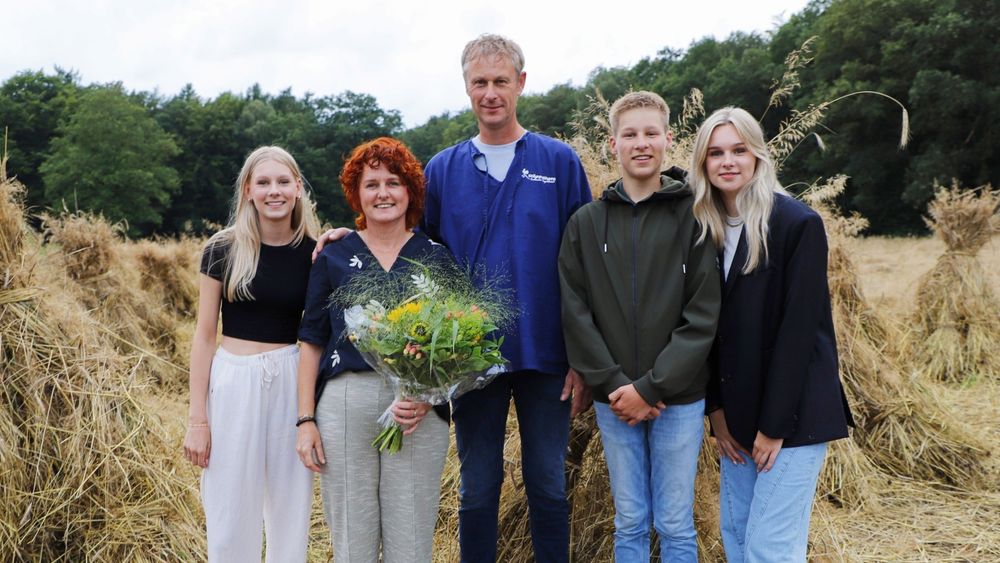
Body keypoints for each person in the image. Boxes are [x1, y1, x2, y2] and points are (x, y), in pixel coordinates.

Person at [421, 33, 593, 563]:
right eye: (480, 82)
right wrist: (341, 236)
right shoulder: (442, 170)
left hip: (548, 355)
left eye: (501, 81)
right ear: (466, 88)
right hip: (471, 357)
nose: (490, 92)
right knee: (477, 488)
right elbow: (418, 256)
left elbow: (585, 263)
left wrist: (582, 358)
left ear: (521, 83)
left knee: (546, 485)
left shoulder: (558, 162)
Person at [558, 91, 721, 562]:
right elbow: (575, 310)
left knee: (674, 523)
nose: (641, 143)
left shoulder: (695, 216)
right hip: (615, 399)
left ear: (669, 139)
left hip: (679, 397)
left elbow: (703, 314)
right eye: (630, 134)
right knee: (629, 520)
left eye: (651, 133)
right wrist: (614, 385)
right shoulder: (586, 223)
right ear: (613, 144)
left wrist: (652, 387)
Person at [690, 107, 855, 563]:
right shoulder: (703, 230)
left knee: (771, 548)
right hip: (735, 417)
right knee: (739, 539)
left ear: (758, 156)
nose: (728, 161)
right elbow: (704, 331)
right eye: (716, 152)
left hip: (793, 416)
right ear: (702, 163)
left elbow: (798, 333)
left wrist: (772, 427)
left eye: (739, 150)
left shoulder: (795, 224)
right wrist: (716, 413)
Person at [295, 137, 451, 563]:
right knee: (352, 541)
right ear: (357, 194)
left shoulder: (436, 258)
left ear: (410, 191)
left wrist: (427, 396)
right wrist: (305, 419)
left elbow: (456, 345)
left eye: (394, 182)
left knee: (412, 540)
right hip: (347, 404)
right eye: (372, 184)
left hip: (417, 411)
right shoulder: (334, 255)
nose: (383, 192)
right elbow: (311, 339)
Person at [182, 146, 320, 563]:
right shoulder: (223, 249)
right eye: (263, 182)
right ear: (247, 190)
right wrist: (197, 419)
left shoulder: (316, 254)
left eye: (282, 182)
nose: (273, 191)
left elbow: (317, 336)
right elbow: (204, 336)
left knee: (289, 508)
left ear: (298, 188)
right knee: (229, 508)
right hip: (233, 380)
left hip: (290, 378)